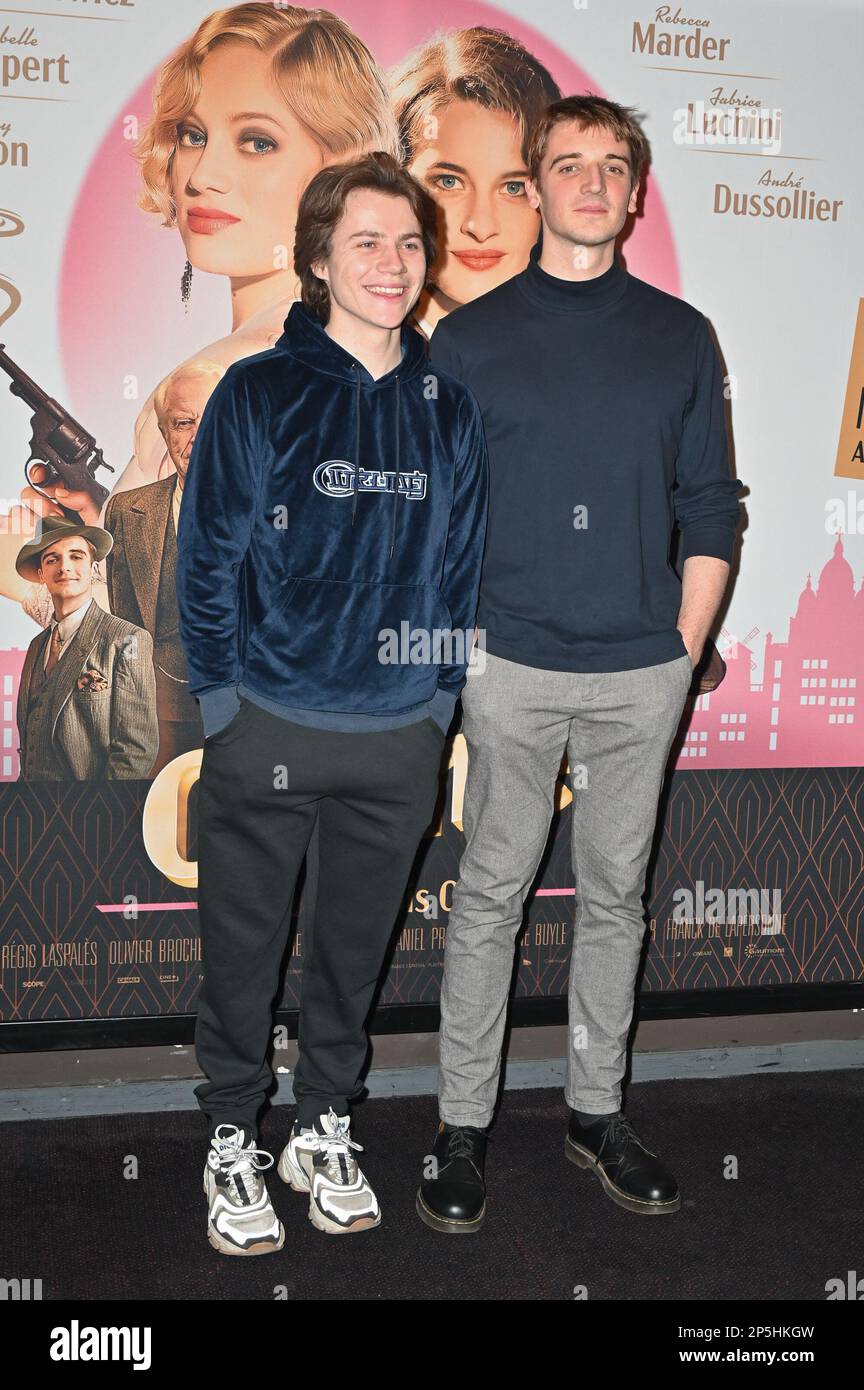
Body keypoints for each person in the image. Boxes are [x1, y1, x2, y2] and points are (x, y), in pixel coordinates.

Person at [417, 95, 744, 1233]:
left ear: (638, 191)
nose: (592, 184)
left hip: (638, 675)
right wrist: (464, 657)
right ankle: (462, 1124)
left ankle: (595, 1111)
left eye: (613, 166)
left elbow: (711, 504)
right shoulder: (467, 339)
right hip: (508, 669)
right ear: (536, 183)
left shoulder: (681, 336)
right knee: (491, 897)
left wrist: (682, 652)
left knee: (617, 901)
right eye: (569, 165)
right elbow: (437, 521)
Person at [176, 150, 488, 1253]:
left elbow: (460, 570)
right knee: (242, 952)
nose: (392, 263)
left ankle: (323, 1123)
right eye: (366, 241)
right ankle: (229, 1136)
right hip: (266, 725)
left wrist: (434, 708)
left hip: (396, 737)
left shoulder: (449, 406)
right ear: (316, 257)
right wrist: (224, 707)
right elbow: (205, 563)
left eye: (409, 242)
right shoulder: (258, 390)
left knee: (353, 955)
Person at [14, 519, 157, 780]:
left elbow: (136, 750)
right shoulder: (37, 646)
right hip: (33, 805)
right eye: (52, 559)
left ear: (93, 568)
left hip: (91, 811)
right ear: (41, 574)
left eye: (76, 556)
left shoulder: (129, 639)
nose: (65, 566)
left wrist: (97, 813)